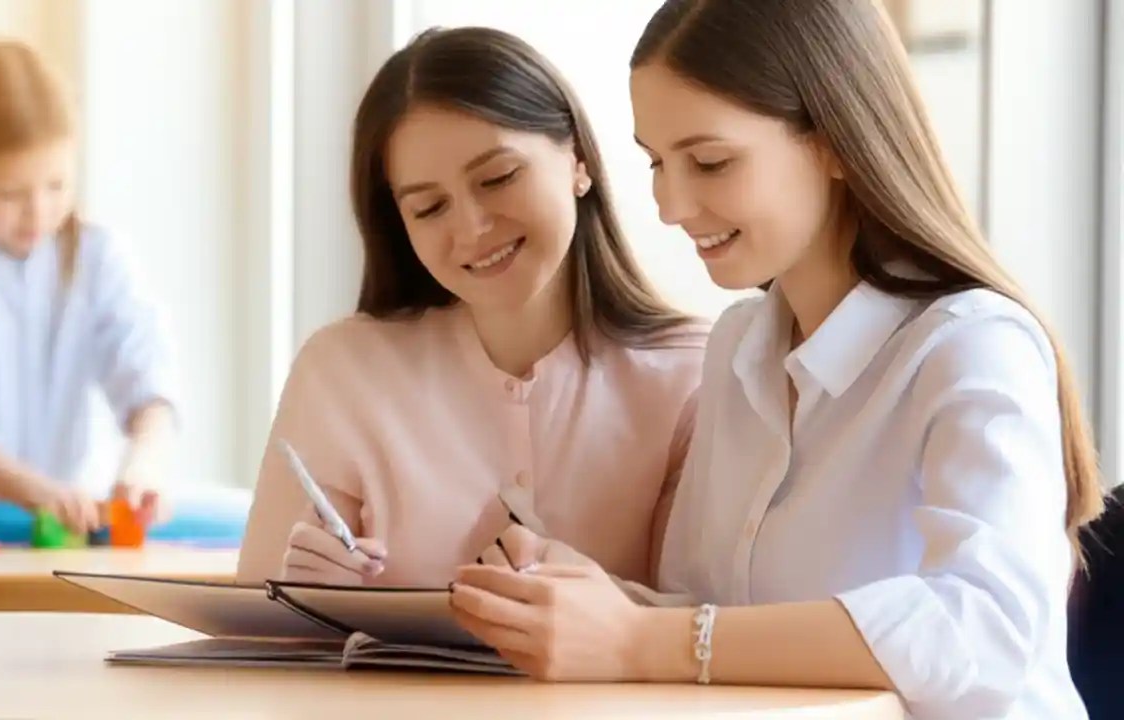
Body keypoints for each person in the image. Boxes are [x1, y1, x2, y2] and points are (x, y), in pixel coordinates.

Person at [448, 2, 1106, 718]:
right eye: (656, 163)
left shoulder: (971, 344)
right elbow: (715, 611)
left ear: (832, 142)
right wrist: (591, 603)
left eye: (709, 161)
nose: (670, 203)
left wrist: (646, 640)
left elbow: (983, 631)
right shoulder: (738, 346)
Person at [235, 26, 711, 589]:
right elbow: (254, 625)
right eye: (430, 207)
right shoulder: (342, 369)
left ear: (578, 161)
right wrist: (304, 599)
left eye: (498, 177)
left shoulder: (692, 372)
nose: (472, 229)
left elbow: (699, 624)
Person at [0, 40, 178, 535]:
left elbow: (146, 374)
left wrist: (145, 462)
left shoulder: (99, 255)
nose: (38, 213)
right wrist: (39, 493)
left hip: (66, 527)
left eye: (56, 186)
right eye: (11, 194)